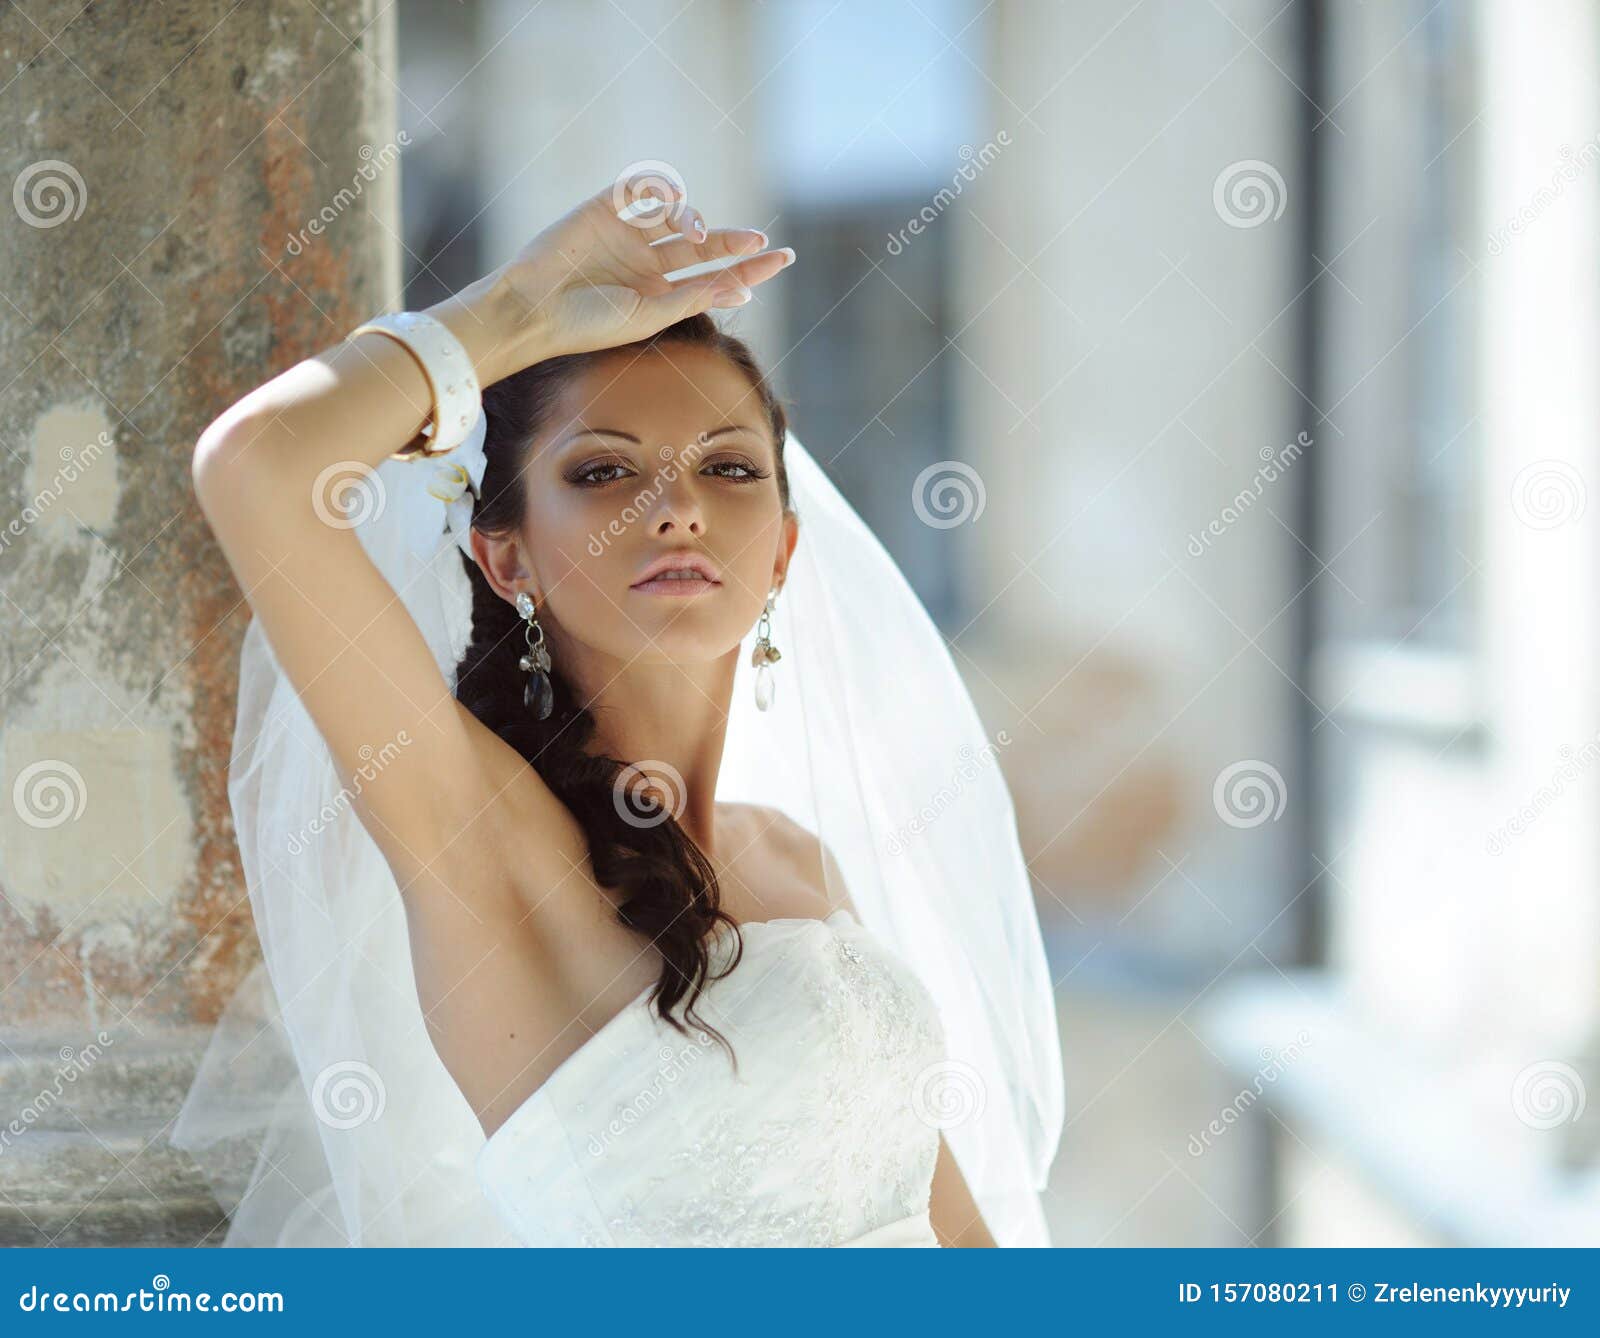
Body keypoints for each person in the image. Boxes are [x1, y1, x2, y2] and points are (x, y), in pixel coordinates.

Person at [172, 169, 1063, 1248]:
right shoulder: (490, 846)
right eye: (603, 472)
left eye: (727, 468)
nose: (677, 507)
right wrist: (522, 304)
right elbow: (260, 468)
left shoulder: (796, 860)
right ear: (506, 560)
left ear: (781, 553)